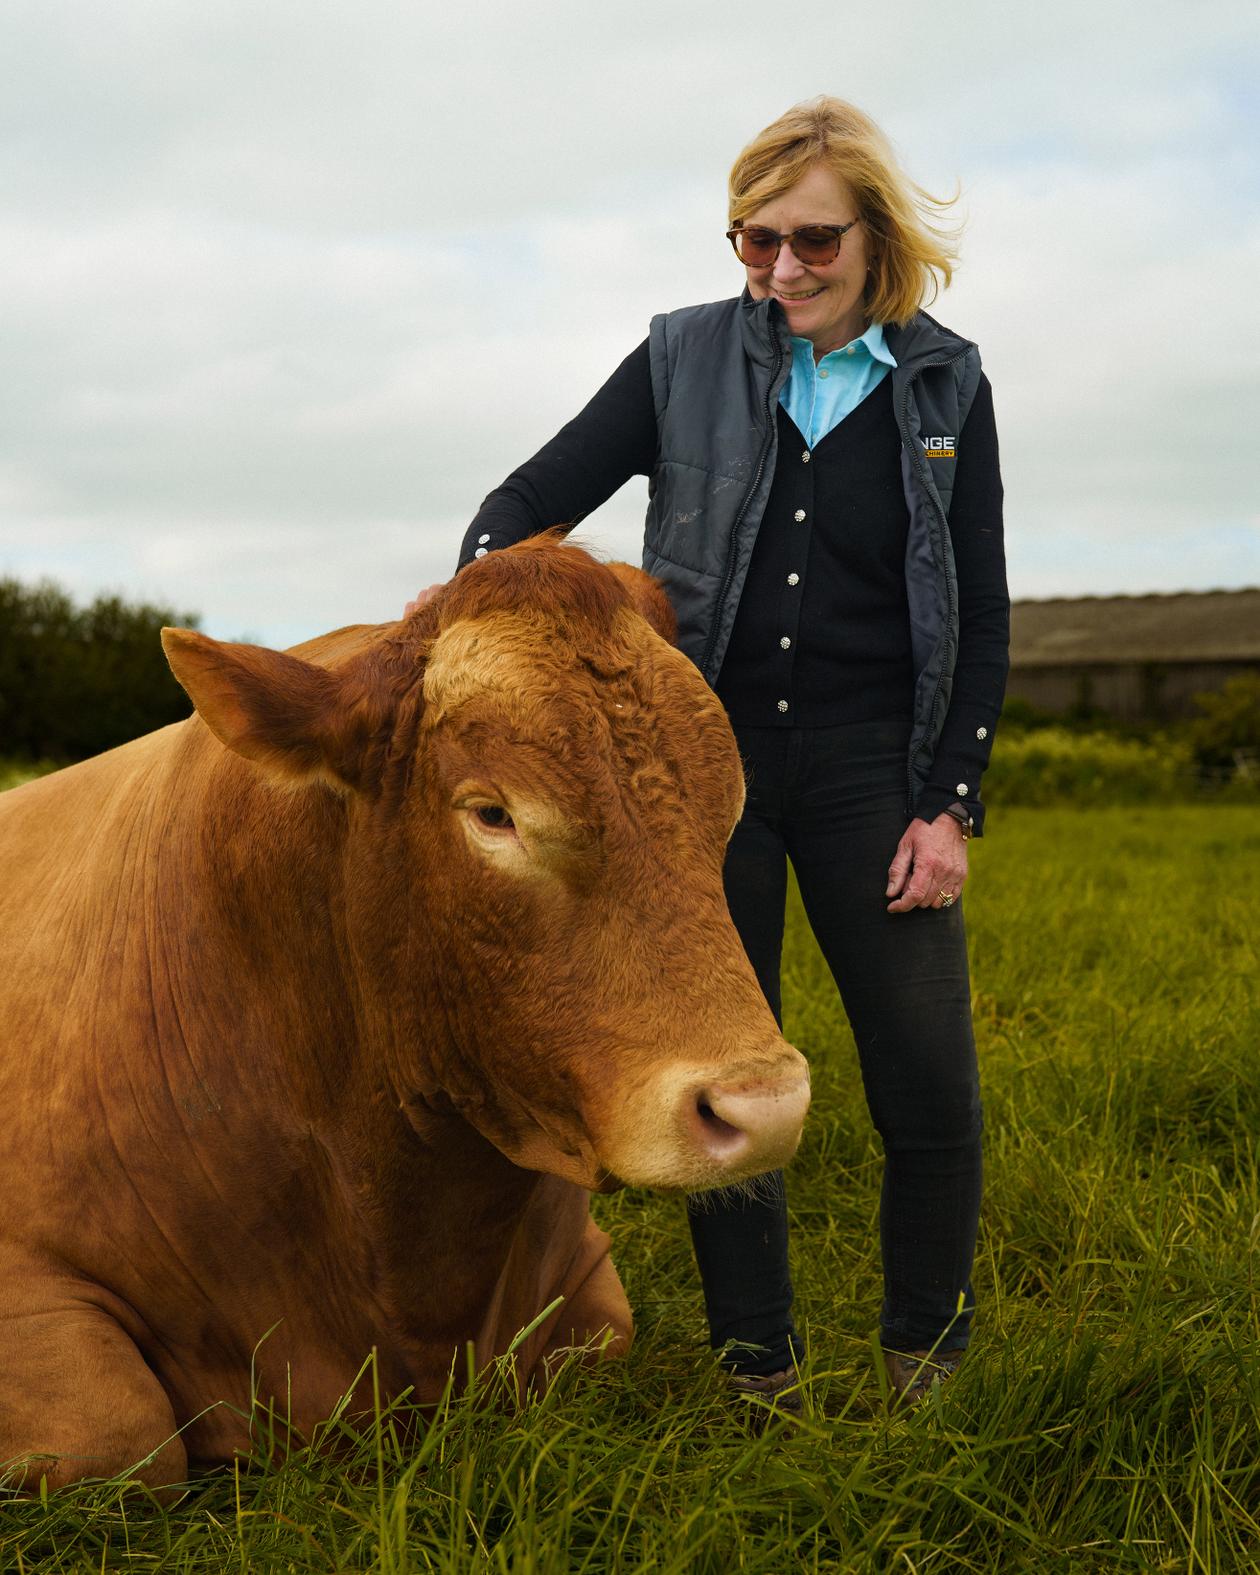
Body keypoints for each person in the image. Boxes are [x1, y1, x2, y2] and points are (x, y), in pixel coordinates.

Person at [415, 97, 1009, 1411]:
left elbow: (981, 615)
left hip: (872, 775)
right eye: (753, 244)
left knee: (928, 1087)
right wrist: (499, 637)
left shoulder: (947, 385)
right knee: (720, 1085)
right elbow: (519, 506)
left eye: (811, 242)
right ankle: (760, 1372)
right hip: (696, 786)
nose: (781, 271)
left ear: (875, 236)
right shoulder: (683, 359)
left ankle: (928, 1363)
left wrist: (947, 805)